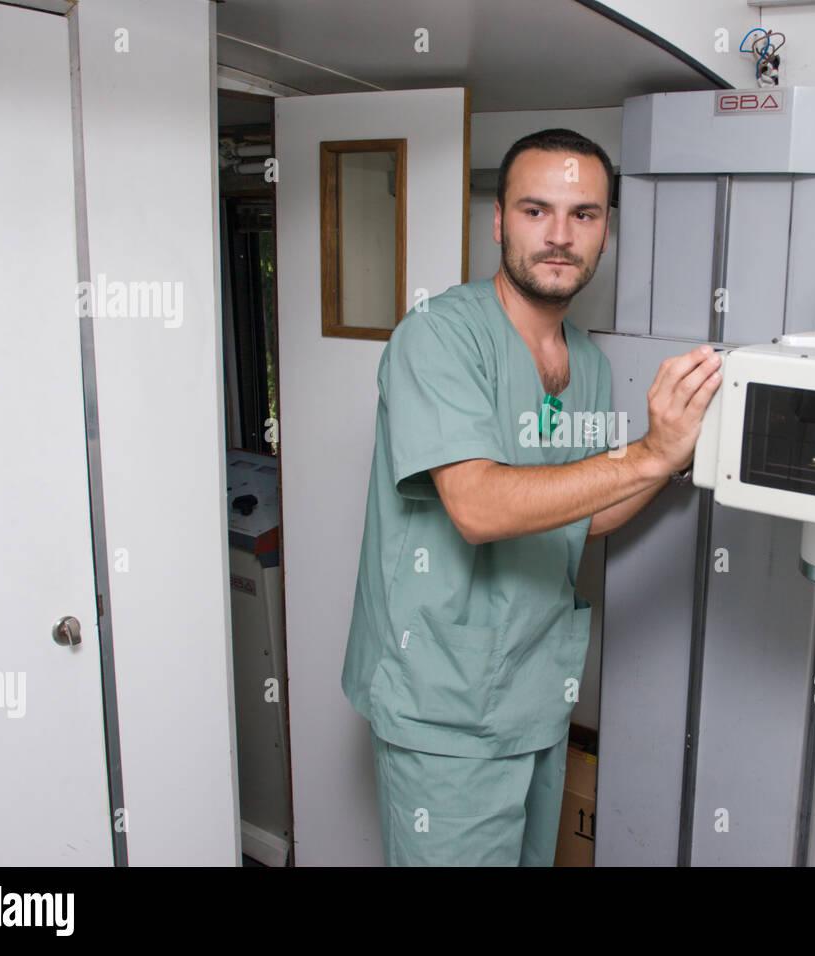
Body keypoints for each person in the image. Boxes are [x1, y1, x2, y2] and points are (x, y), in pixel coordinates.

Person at [341, 128, 723, 865]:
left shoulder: (587, 363)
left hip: (537, 697)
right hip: (443, 710)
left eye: (584, 214)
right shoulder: (439, 338)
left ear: (607, 232)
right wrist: (647, 451)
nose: (559, 235)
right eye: (535, 210)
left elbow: (584, 512)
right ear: (498, 222)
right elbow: (480, 508)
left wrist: (668, 462)